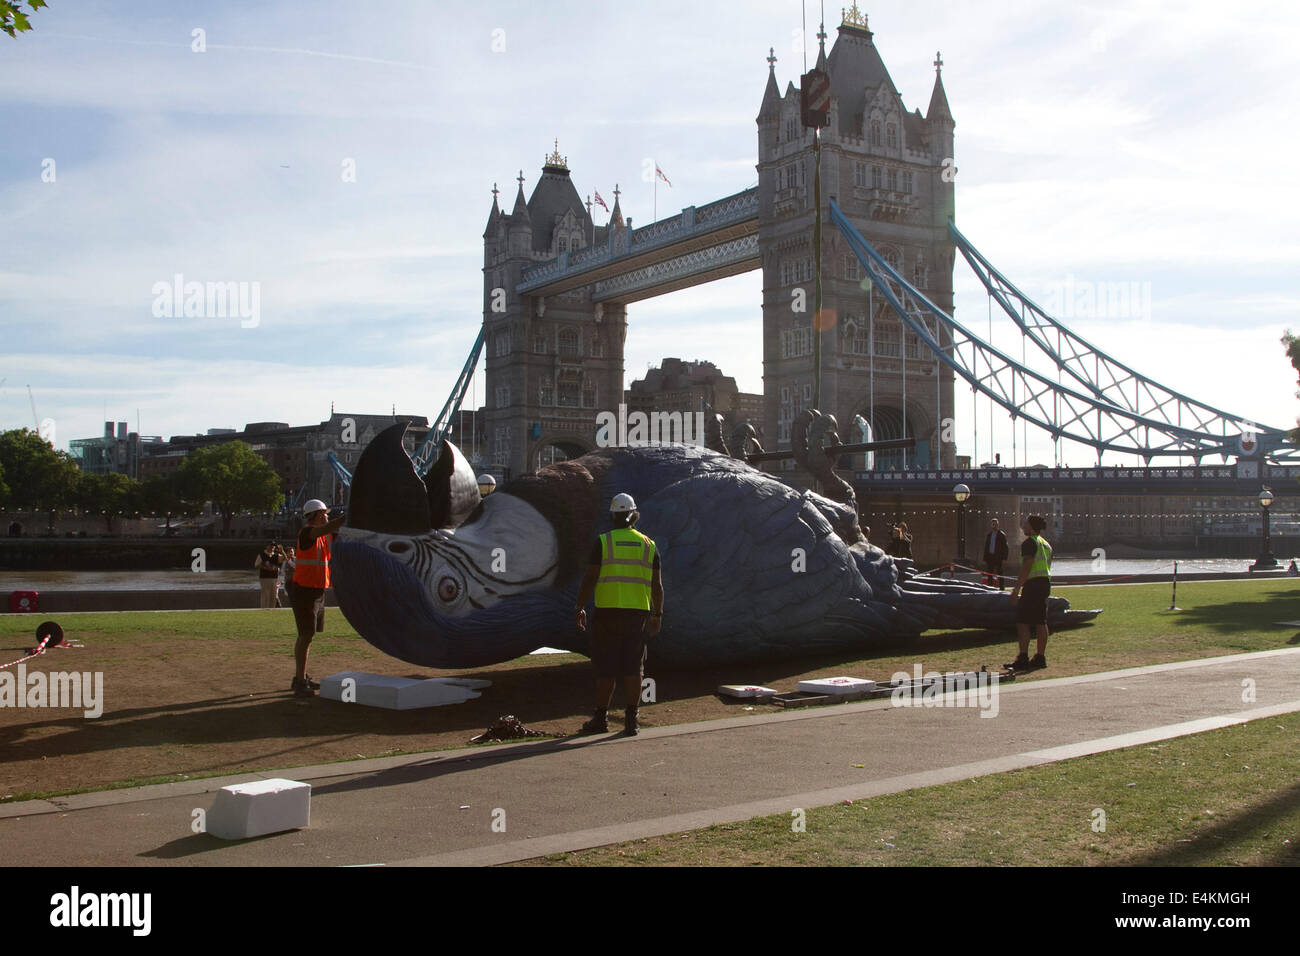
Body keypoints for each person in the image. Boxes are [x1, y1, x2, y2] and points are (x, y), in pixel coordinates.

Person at [573, 492, 664, 736]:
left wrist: (579, 606)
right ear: (634, 515)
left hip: (607, 614)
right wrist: (658, 615)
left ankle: (601, 718)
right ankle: (631, 720)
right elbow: (657, 586)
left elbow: (590, 577)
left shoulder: (603, 542)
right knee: (635, 668)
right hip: (638, 615)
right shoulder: (648, 544)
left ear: (613, 516)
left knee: (606, 668)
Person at [290, 500, 345, 697]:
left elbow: (341, 534)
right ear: (317, 515)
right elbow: (331, 527)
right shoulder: (307, 533)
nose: (327, 516)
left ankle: (301, 676)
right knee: (305, 635)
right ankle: (299, 680)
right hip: (304, 591)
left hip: (317, 591)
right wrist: (348, 516)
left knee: (309, 635)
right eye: (325, 513)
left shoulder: (326, 536)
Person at [1007, 514, 1052, 671]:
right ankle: (1040, 657)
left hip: (1032, 584)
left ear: (1031, 527)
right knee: (1041, 621)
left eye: (1025, 524)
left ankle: (1023, 657)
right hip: (1045, 583)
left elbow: (1027, 565)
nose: (1023, 527)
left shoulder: (1029, 543)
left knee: (1023, 621)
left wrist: (1016, 588)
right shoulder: (1046, 544)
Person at [255, 542, 285, 608]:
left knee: (273, 595)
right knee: (265, 594)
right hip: (264, 577)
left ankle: (272, 609)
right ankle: (264, 609)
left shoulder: (276, 555)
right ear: (267, 546)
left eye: (273, 546)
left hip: (274, 577)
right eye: (271, 546)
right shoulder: (262, 555)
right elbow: (256, 565)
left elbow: (285, 559)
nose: (272, 547)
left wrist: (282, 551)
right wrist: (266, 568)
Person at [982, 518, 1009, 589]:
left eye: (996, 524)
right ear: (991, 525)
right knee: (989, 573)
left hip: (999, 557)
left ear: (998, 525)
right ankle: (990, 587)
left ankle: (1002, 587)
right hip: (990, 557)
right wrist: (985, 557)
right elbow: (986, 546)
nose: (994, 526)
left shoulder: (1002, 535)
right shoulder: (989, 535)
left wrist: (1004, 558)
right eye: (993, 524)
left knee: (1000, 573)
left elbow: (1005, 547)